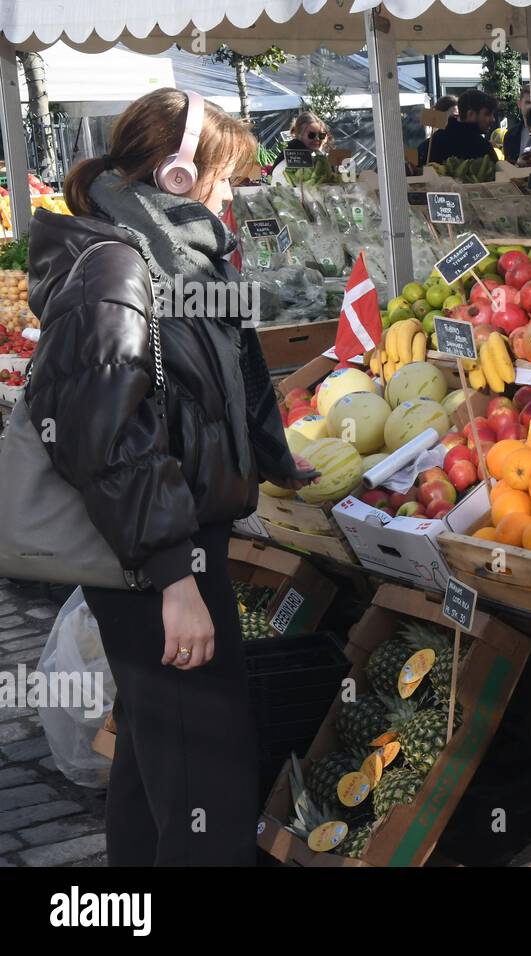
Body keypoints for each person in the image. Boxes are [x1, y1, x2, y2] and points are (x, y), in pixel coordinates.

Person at [25, 88, 315, 865]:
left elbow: (224, 383)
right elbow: (108, 439)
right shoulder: (117, 269)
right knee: (208, 789)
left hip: (178, 549)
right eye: (227, 175)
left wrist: (279, 463)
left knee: (162, 765)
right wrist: (174, 582)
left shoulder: (180, 256)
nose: (235, 192)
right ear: (179, 174)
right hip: (155, 563)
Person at [426, 89, 498, 164]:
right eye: (487, 114)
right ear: (471, 114)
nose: (493, 119)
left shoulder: (434, 141)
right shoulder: (482, 147)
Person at [269, 111, 328, 184]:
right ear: (299, 135)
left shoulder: (314, 156)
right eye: (311, 135)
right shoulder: (291, 159)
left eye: (321, 135)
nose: (317, 139)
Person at [412, 95, 459, 169]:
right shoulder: (427, 146)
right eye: (454, 117)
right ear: (439, 117)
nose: (457, 120)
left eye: (458, 116)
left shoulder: (462, 140)